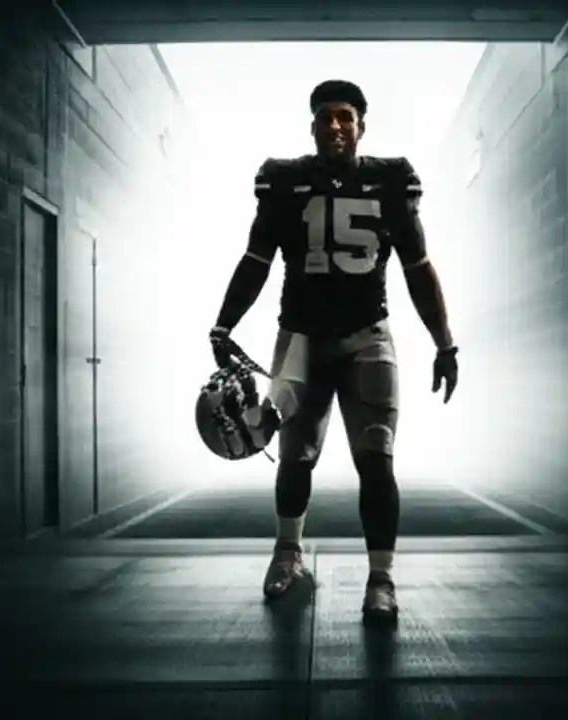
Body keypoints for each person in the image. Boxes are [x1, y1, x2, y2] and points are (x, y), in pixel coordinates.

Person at [209, 79, 458, 622]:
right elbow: (256, 261)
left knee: (376, 456)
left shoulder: (389, 181)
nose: (335, 126)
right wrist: (224, 323)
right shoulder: (285, 181)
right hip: (299, 336)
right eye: (325, 116)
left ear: (362, 125)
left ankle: (382, 578)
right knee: (296, 454)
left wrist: (445, 342)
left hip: (367, 335)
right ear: (313, 125)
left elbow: (418, 268)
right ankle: (286, 554)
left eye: (345, 116)